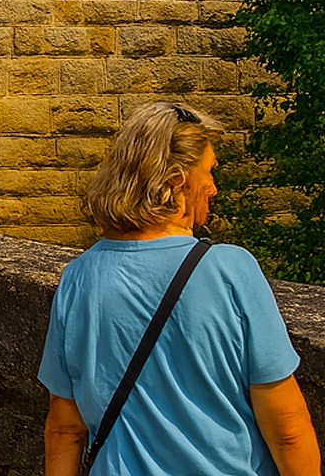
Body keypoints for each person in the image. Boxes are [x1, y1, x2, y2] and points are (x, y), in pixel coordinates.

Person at [39, 102, 320, 476]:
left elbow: (64, 429)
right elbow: (287, 430)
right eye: (208, 173)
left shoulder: (78, 277)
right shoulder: (230, 270)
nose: (214, 187)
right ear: (175, 181)